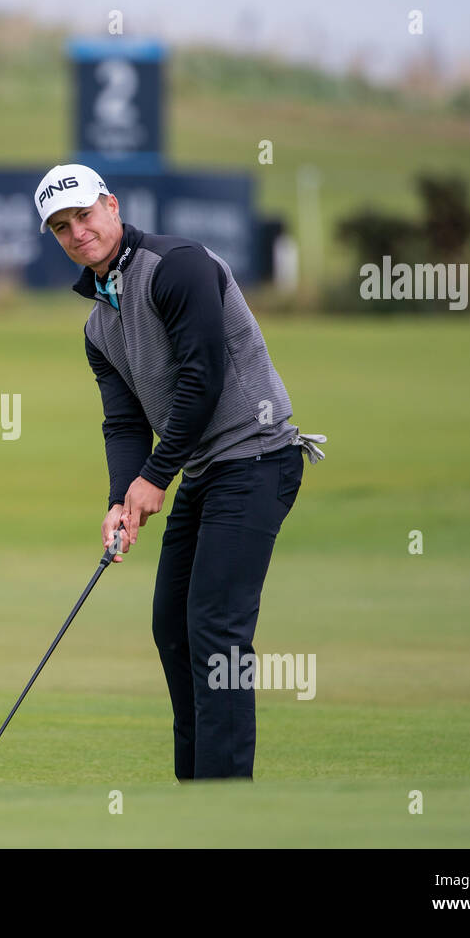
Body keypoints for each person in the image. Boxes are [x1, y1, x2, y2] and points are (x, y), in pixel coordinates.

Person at [33, 163, 326, 780]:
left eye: (84, 215)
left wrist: (155, 478)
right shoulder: (97, 325)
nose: (77, 232)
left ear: (111, 206)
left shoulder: (177, 267)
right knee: (173, 626)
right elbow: (125, 424)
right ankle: (193, 791)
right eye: (61, 227)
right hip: (204, 471)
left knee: (216, 631)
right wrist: (121, 496)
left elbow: (202, 378)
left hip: (257, 459)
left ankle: (222, 798)